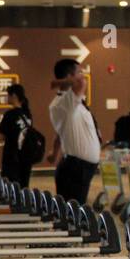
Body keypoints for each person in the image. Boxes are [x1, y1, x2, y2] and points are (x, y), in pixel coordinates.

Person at [48, 58, 102, 206]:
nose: (82, 75)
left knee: (75, 210)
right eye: (79, 72)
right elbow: (81, 83)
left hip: (80, 167)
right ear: (69, 77)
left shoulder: (73, 103)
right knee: (73, 212)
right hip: (76, 167)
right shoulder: (63, 102)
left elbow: (61, 132)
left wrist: (54, 152)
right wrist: (60, 83)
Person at [0, 84, 33, 185]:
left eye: (7, 95)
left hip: (11, 158)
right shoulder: (28, 114)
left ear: (14, 96)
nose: (6, 98)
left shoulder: (10, 115)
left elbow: (0, 136)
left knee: (10, 190)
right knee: (23, 190)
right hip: (26, 158)